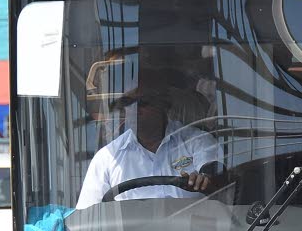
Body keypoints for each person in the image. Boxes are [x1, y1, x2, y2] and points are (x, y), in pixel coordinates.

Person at [76, 69, 222, 209]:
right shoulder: (107, 158)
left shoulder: (197, 141)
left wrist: (204, 179)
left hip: (192, 225)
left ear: (163, 104)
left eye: (143, 102)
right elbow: (88, 217)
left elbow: (213, 172)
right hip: (130, 228)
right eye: (128, 102)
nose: (134, 109)